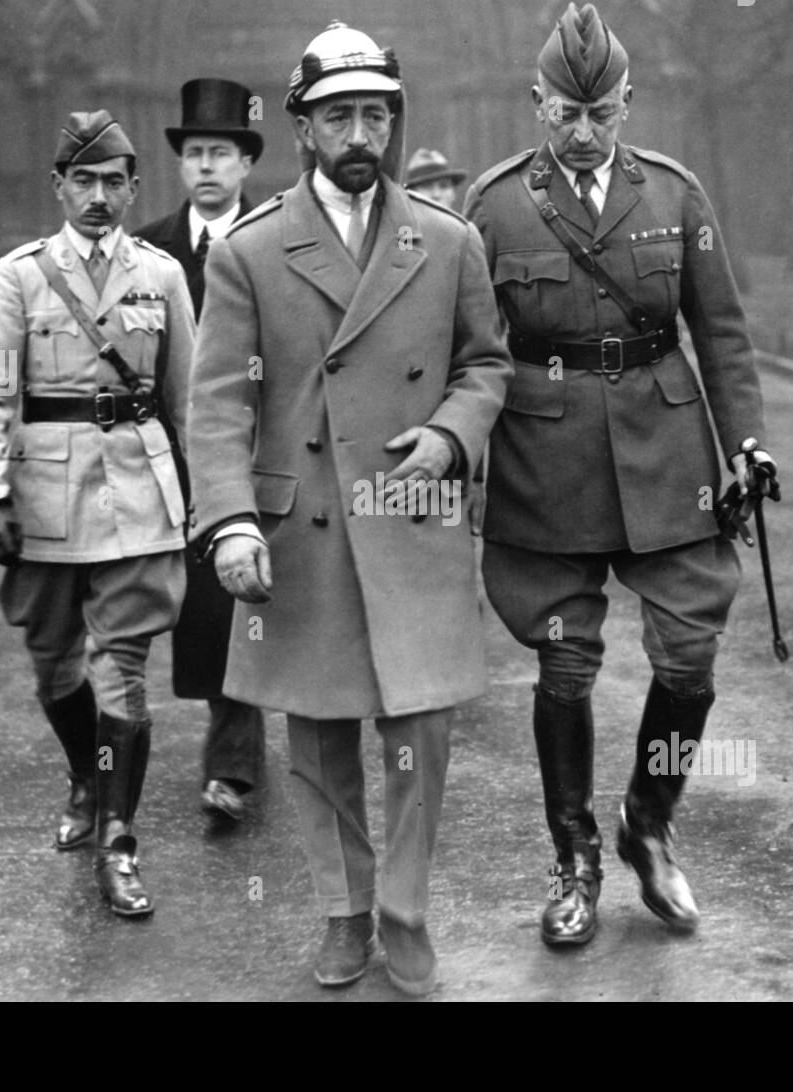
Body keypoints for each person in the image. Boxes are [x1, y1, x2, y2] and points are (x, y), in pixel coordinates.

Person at [186, 20, 511, 993]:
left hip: (409, 510)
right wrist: (231, 522)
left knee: (420, 733)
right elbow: (215, 405)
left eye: (375, 113)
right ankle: (344, 910)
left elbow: (486, 365)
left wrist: (453, 434)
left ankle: (405, 913)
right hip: (306, 523)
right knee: (318, 738)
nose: (360, 132)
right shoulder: (249, 251)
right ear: (302, 129)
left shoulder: (447, 242)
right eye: (339, 116)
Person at [463, 2, 775, 946]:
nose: (585, 131)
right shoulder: (495, 205)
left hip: (666, 446)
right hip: (543, 456)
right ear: (538, 103)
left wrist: (747, 443)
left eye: (602, 112)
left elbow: (719, 332)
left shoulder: (677, 197)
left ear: (628, 104)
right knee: (565, 659)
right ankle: (574, 859)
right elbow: (471, 349)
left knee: (690, 652)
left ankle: (650, 819)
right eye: (566, 112)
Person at [0, 110, 197, 917]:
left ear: (135, 189)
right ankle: (86, 779)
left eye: (113, 183)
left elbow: (187, 400)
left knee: (121, 666)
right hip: (43, 501)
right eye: (83, 182)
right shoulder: (19, 276)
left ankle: (118, 842)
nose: (99, 197)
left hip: (137, 490)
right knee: (55, 662)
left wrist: (212, 504)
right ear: (58, 187)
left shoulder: (161, 276)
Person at [133, 78, 266, 824]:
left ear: (246, 163)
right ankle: (230, 747)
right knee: (198, 605)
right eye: (194, 154)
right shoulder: (148, 250)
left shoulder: (271, 240)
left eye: (221, 152)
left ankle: (233, 764)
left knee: (241, 595)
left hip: (257, 445)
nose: (207, 167)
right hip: (171, 454)